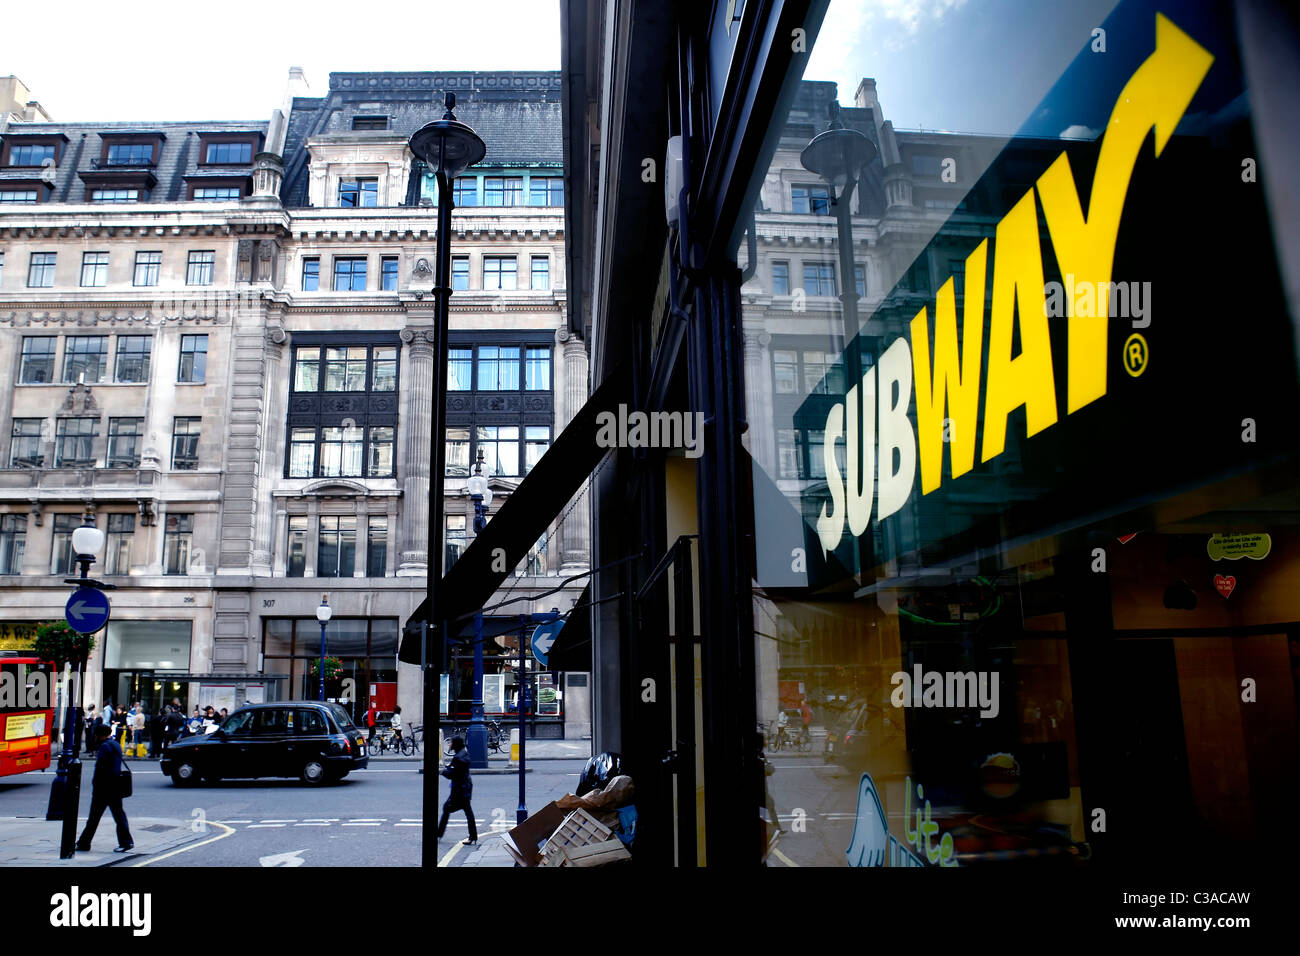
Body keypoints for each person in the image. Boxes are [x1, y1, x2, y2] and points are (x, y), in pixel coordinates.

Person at [75, 723, 134, 853]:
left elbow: (100, 768)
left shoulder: (104, 747)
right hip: (115, 787)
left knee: (94, 818)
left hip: (103, 789)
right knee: (119, 816)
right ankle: (126, 842)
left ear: (99, 735)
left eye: (96, 734)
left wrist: (95, 784)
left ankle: (84, 843)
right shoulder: (116, 744)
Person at [437, 736, 477, 846]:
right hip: (465, 787)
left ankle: (439, 834)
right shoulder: (463, 753)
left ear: (456, 744)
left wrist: (443, 771)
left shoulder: (458, 758)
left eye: (451, 743)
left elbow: (452, 774)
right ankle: (473, 836)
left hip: (460, 790)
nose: (449, 745)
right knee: (467, 812)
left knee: (448, 808)